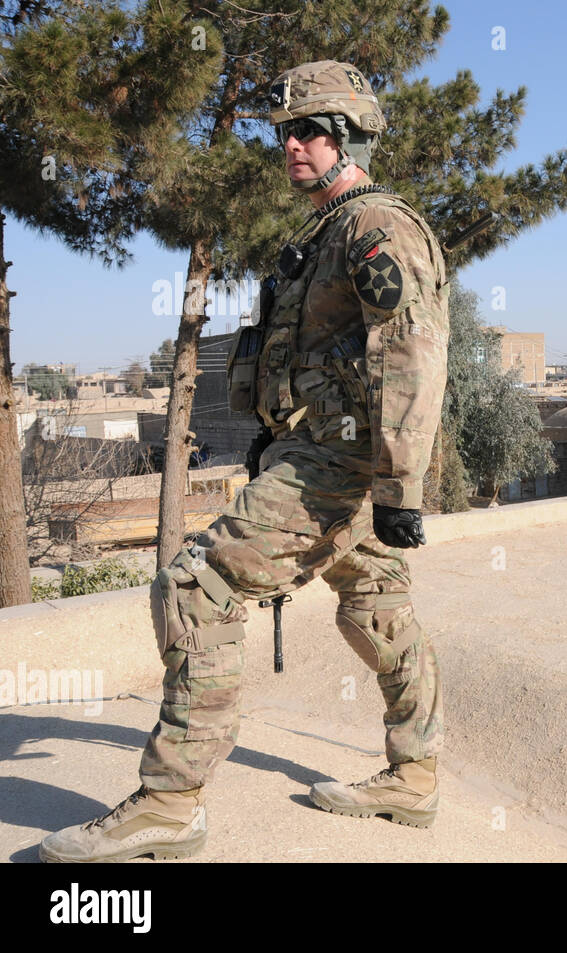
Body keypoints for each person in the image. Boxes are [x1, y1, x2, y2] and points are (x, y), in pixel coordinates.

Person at [40, 60, 449, 863]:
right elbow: (310, 355)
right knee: (375, 609)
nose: (291, 144)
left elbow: (412, 357)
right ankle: (418, 772)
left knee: (197, 587)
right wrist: (273, 429)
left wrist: (403, 487)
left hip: (338, 468)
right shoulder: (328, 227)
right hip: (317, 453)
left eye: (309, 131)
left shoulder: (377, 227)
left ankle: (171, 801)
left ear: (348, 136)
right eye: (285, 131)